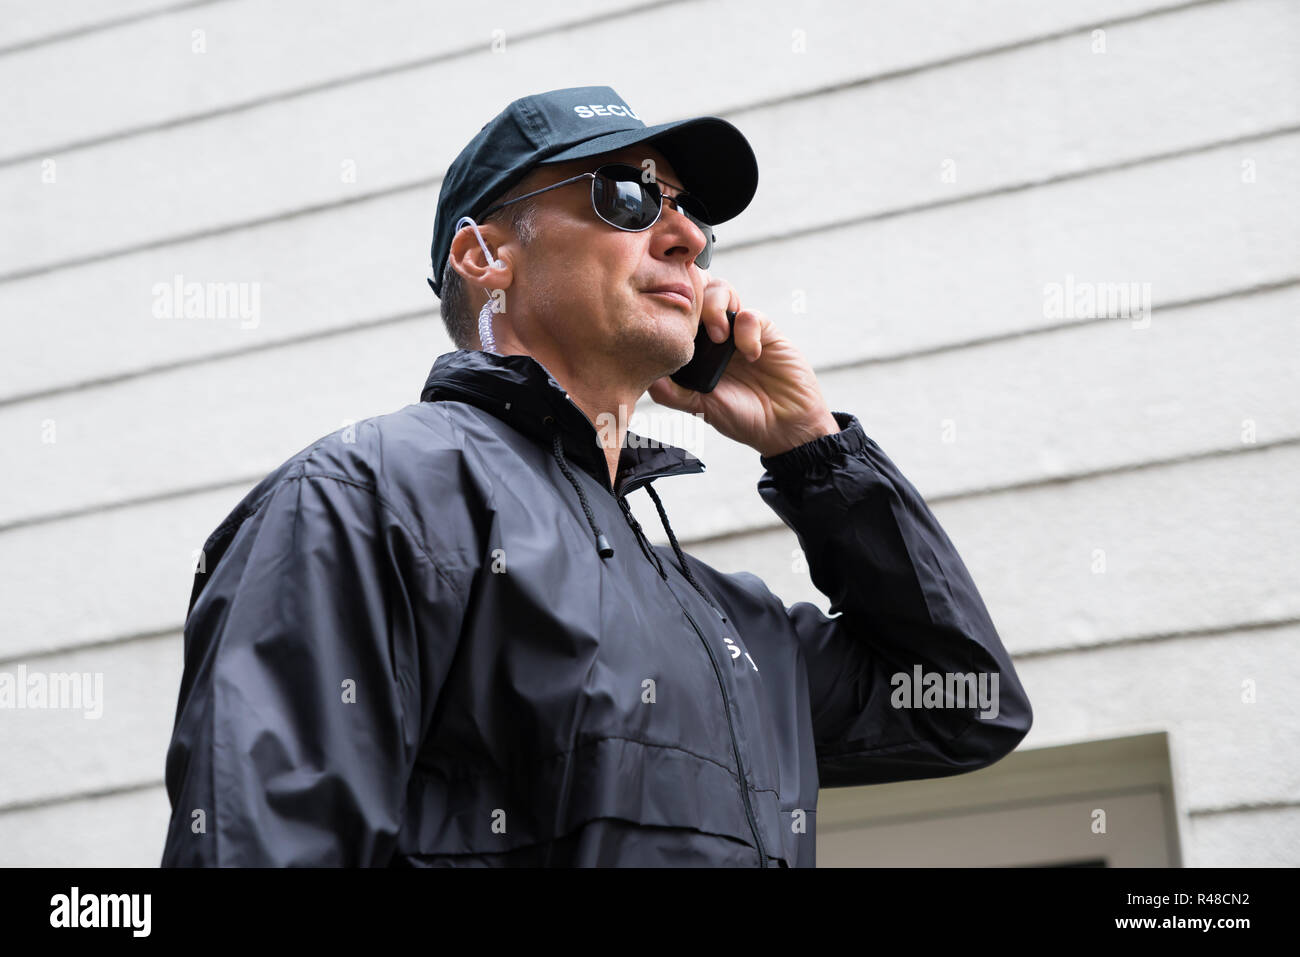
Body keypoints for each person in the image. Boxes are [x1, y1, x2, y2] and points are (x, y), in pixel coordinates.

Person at [160, 85, 1033, 867]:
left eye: (689, 212)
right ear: (483, 258)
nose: (687, 236)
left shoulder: (732, 629)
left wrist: (811, 448)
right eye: (630, 195)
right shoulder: (368, 500)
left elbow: (964, 707)